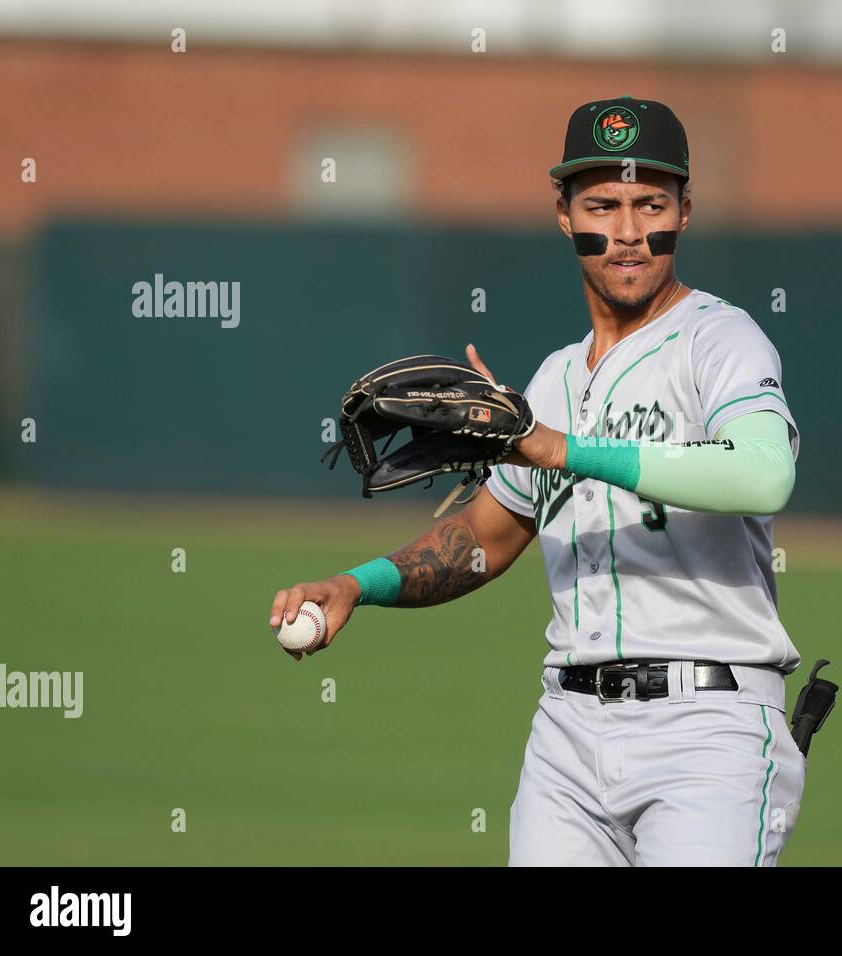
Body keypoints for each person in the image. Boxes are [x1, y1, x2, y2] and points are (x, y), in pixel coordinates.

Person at [269, 96, 806, 866]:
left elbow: (763, 474)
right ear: (564, 213)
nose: (627, 231)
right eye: (603, 205)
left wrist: (564, 449)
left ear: (686, 211)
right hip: (568, 738)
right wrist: (357, 584)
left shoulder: (719, 341)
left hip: (708, 732)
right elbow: (485, 538)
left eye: (650, 204)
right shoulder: (554, 379)